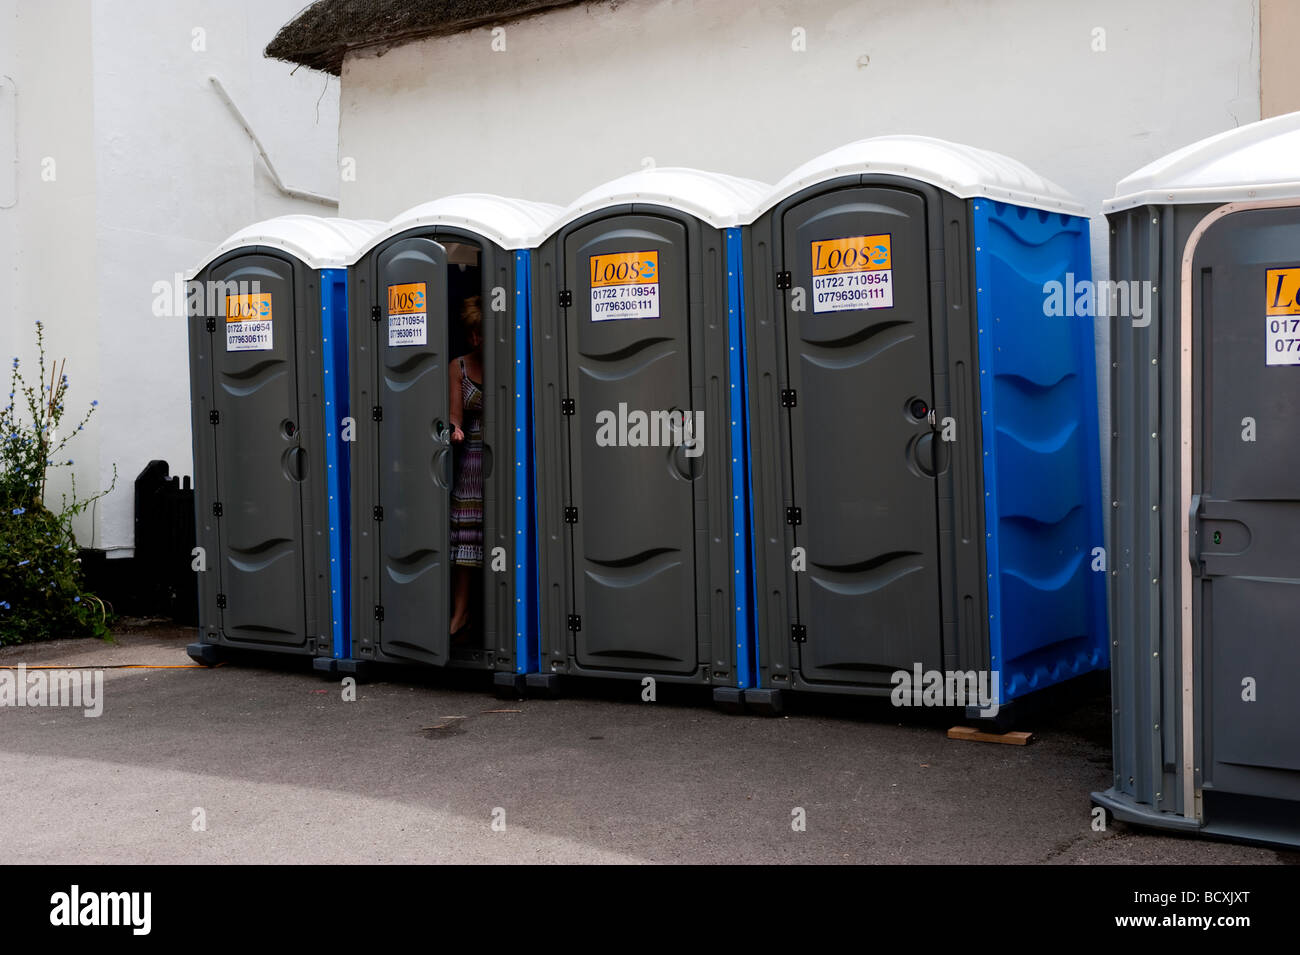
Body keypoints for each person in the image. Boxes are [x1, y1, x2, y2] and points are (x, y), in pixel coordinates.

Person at [448, 296, 485, 637]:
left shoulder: (513, 362)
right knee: (466, 547)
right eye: (472, 334)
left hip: (506, 459)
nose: (475, 340)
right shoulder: (458, 366)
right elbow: (455, 416)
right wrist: (454, 429)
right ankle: (460, 614)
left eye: (480, 333)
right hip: (473, 460)